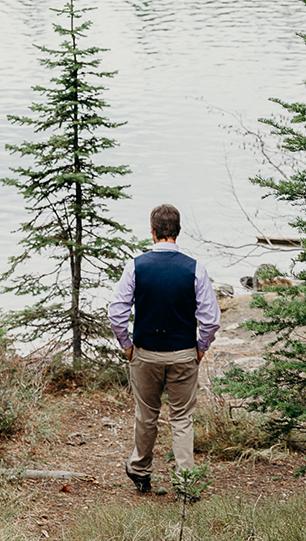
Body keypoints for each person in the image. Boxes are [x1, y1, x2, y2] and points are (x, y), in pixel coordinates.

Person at [106, 203, 220, 494]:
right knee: (182, 418)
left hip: (145, 353)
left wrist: (127, 345)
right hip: (184, 353)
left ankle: (140, 470)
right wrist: (201, 347)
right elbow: (210, 319)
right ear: (178, 231)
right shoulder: (195, 268)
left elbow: (117, 312)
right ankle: (185, 482)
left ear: (153, 231)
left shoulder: (136, 265)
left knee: (146, 414)